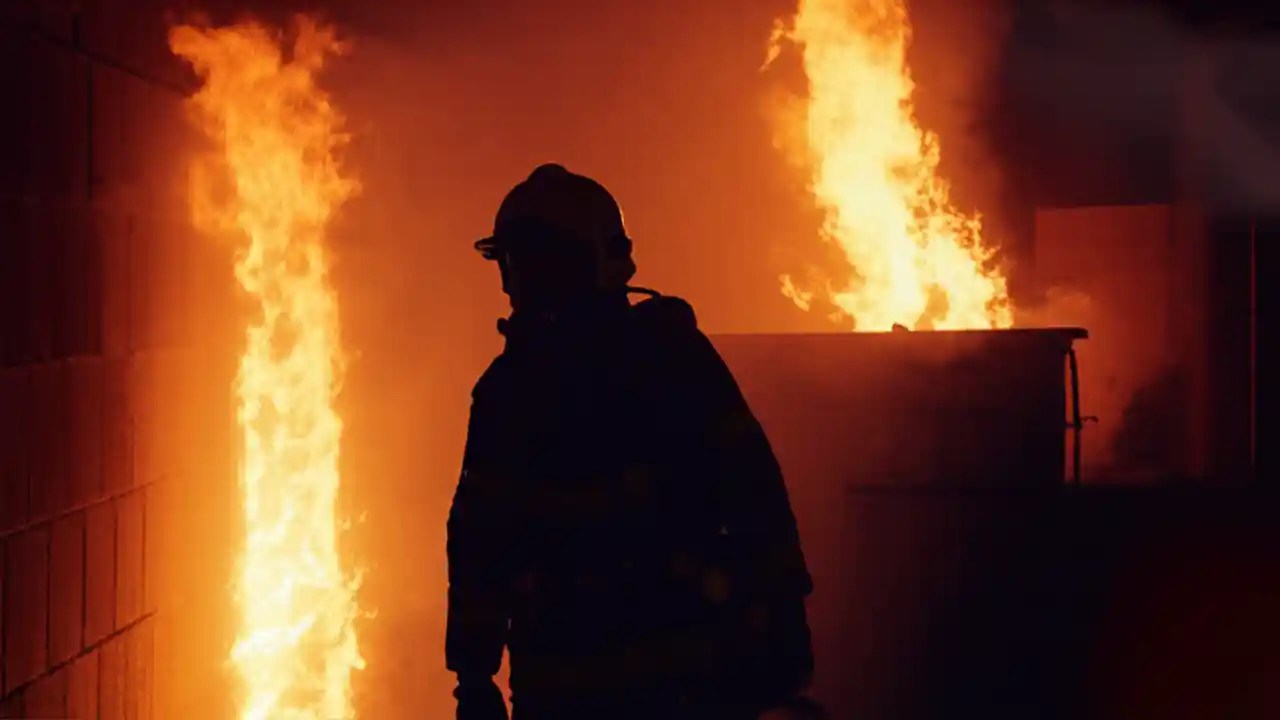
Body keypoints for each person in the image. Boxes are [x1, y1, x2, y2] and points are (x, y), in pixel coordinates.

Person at [446, 164, 815, 720]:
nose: (516, 281)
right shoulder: (511, 393)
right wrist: (472, 675)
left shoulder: (667, 363)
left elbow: (753, 494)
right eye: (514, 261)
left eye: (533, 260)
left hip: (678, 688)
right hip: (591, 693)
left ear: (582, 260)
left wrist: (782, 616)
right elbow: (480, 541)